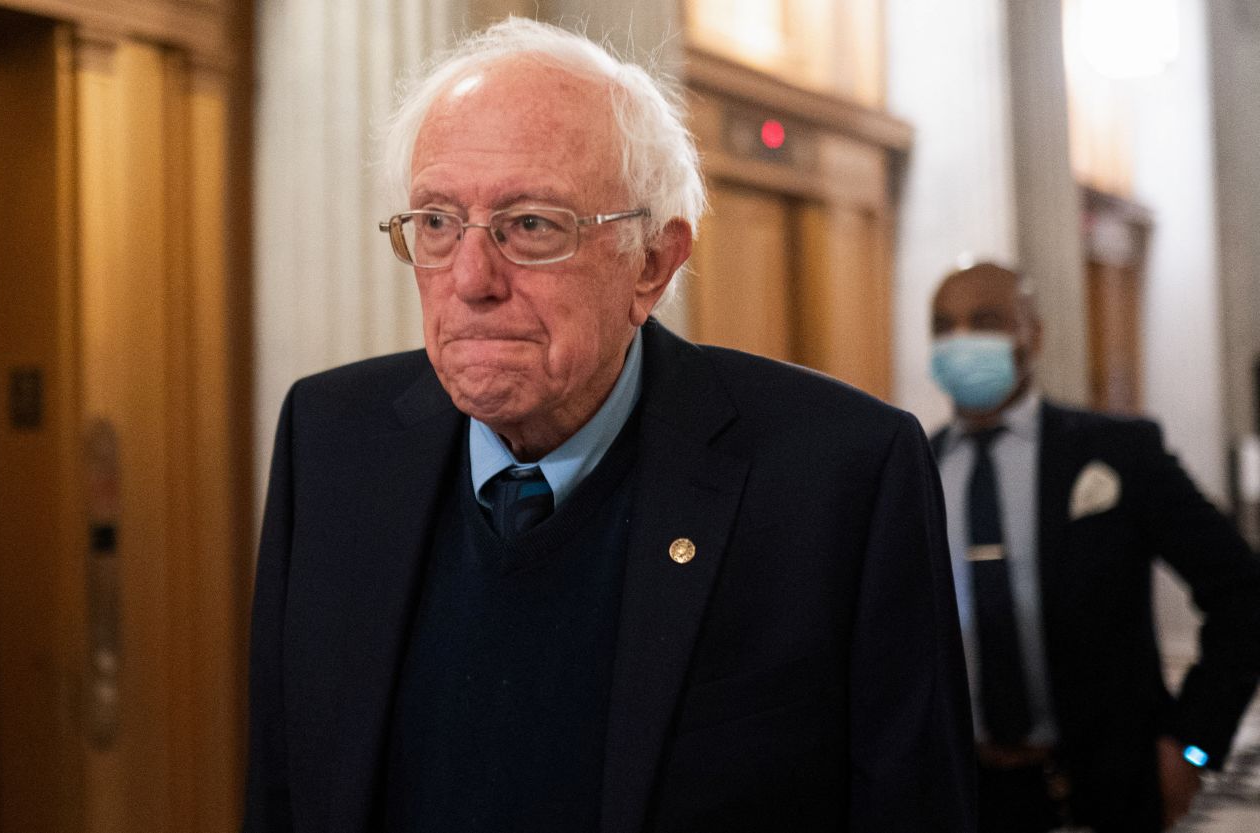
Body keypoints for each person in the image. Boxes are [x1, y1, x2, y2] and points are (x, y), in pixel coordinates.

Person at [244, 18, 974, 833]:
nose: (471, 279)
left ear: (653, 263)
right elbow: (285, 791)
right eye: (439, 223)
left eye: (531, 225)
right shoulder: (333, 441)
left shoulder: (839, 476)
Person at [927, 262, 1260, 833]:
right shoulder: (915, 468)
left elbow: (1243, 593)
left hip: (1107, 785)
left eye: (984, 321)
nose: (961, 341)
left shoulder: (1119, 452)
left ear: (1033, 332)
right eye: (942, 326)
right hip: (961, 792)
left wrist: (1194, 748)